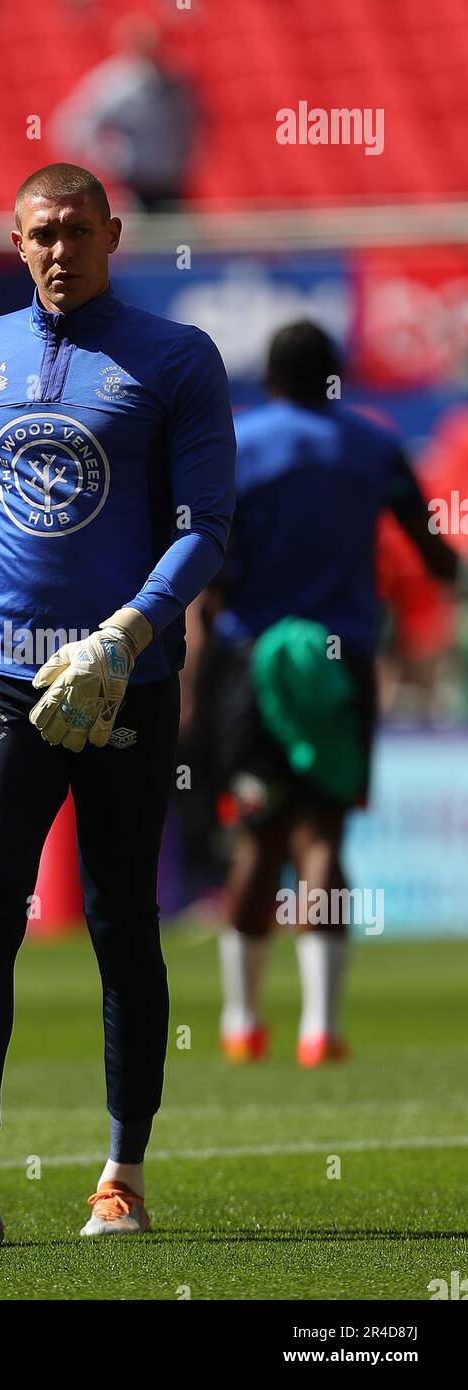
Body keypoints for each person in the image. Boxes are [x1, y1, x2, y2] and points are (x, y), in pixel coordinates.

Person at [0, 162, 235, 1245]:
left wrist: (125, 636)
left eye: (76, 230)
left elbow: (204, 524)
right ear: (12, 241)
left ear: (113, 234)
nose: (57, 250)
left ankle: (119, 1176)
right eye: (39, 233)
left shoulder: (176, 357)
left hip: (126, 681)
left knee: (123, 922)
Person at [209, 321, 461, 1068]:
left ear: (273, 379)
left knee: (258, 833)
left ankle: (242, 1020)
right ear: (335, 377)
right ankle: (320, 1027)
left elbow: (206, 553)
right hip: (341, 657)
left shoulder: (239, 443)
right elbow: (428, 549)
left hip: (254, 658)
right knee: (323, 837)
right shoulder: (374, 443)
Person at [50, 14, 196, 211]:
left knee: (174, 234)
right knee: (139, 236)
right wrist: (106, 159)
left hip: (172, 179)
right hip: (133, 183)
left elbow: (191, 123)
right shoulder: (116, 83)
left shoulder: (174, 78)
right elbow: (76, 125)